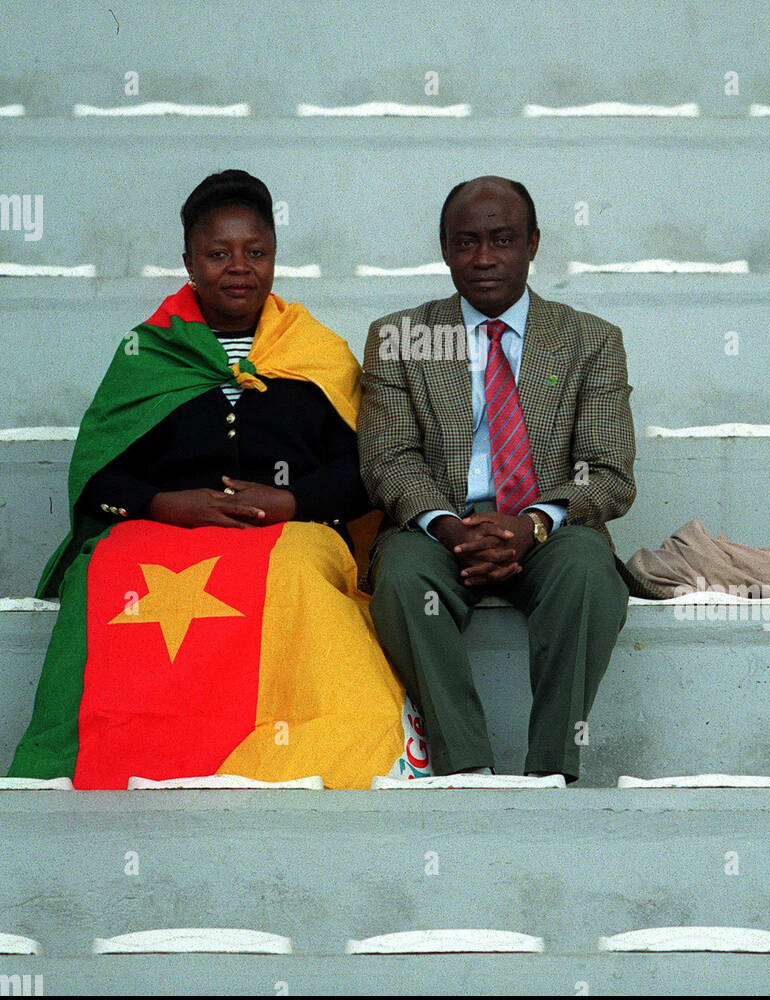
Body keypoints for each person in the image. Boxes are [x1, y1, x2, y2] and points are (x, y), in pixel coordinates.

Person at [9, 170, 429, 789]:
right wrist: (163, 503)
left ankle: (335, 752)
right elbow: (100, 475)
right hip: (160, 534)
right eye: (217, 253)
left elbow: (369, 471)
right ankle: (108, 760)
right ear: (187, 261)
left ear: (275, 257)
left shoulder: (316, 352)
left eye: (255, 252)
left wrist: (292, 500)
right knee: (110, 569)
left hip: (290, 534)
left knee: (297, 571)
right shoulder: (146, 354)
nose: (239, 267)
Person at [357, 175, 637, 784]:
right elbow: (389, 459)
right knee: (403, 583)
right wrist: (453, 529)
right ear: (445, 249)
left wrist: (533, 524)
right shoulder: (400, 338)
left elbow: (609, 470)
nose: (483, 258)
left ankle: (551, 771)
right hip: (436, 526)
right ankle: (467, 768)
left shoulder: (590, 341)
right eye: (465, 242)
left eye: (503, 239)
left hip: (550, 525)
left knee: (588, 575)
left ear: (534, 243)